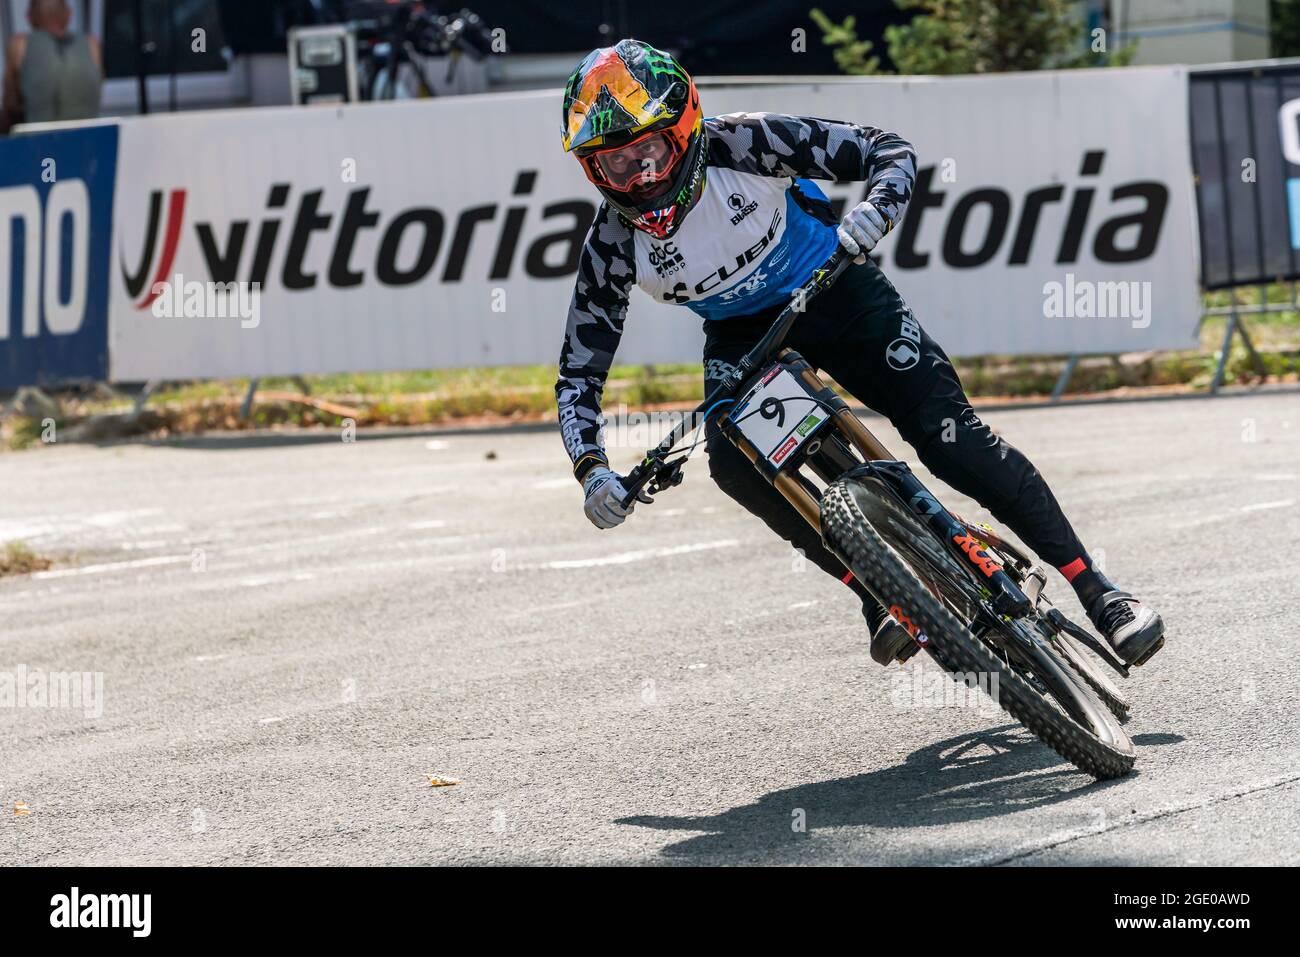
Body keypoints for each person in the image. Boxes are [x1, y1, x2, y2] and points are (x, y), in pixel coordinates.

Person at [554, 39, 1165, 668]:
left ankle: (1100, 592)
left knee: (948, 435)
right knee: (734, 468)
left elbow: (888, 149)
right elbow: (577, 374)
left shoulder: (745, 143)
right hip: (741, 337)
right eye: (614, 166)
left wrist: (878, 208)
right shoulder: (612, 242)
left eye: (647, 152)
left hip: (833, 286)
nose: (639, 178)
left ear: (682, 127)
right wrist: (592, 470)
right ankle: (880, 590)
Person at [1, 0, 102, 134]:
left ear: (28, 17)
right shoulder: (92, 45)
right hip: (89, 140)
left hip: (38, 144)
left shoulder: (20, 45)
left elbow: (11, 104)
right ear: (69, 15)